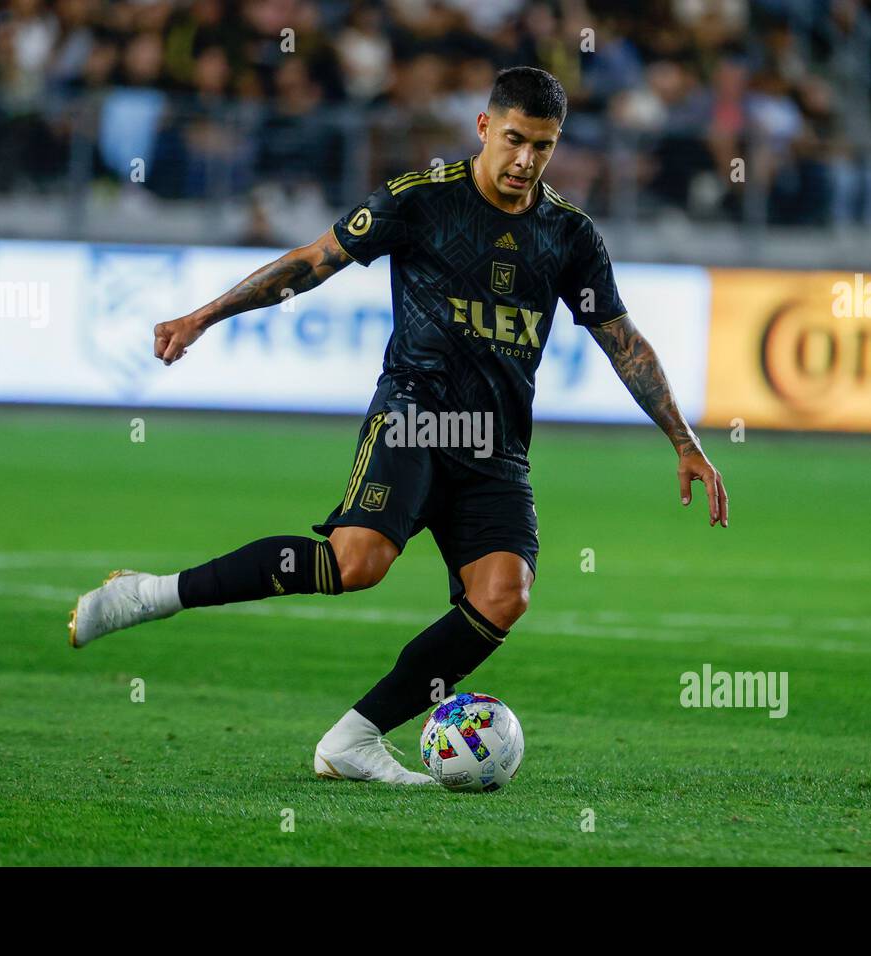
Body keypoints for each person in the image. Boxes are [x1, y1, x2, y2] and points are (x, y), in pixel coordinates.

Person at [67, 67, 729, 785]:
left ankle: (351, 741)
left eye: (542, 147)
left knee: (504, 596)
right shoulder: (421, 201)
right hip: (414, 415)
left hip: (496, 442)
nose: (524, 162)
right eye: (513, 140)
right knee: (358, 564)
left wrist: (684, 441)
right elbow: (310, 264)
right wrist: (203, 316)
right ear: (484, 127)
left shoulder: (567, 235)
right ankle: (149, 594)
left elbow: (621, 338)